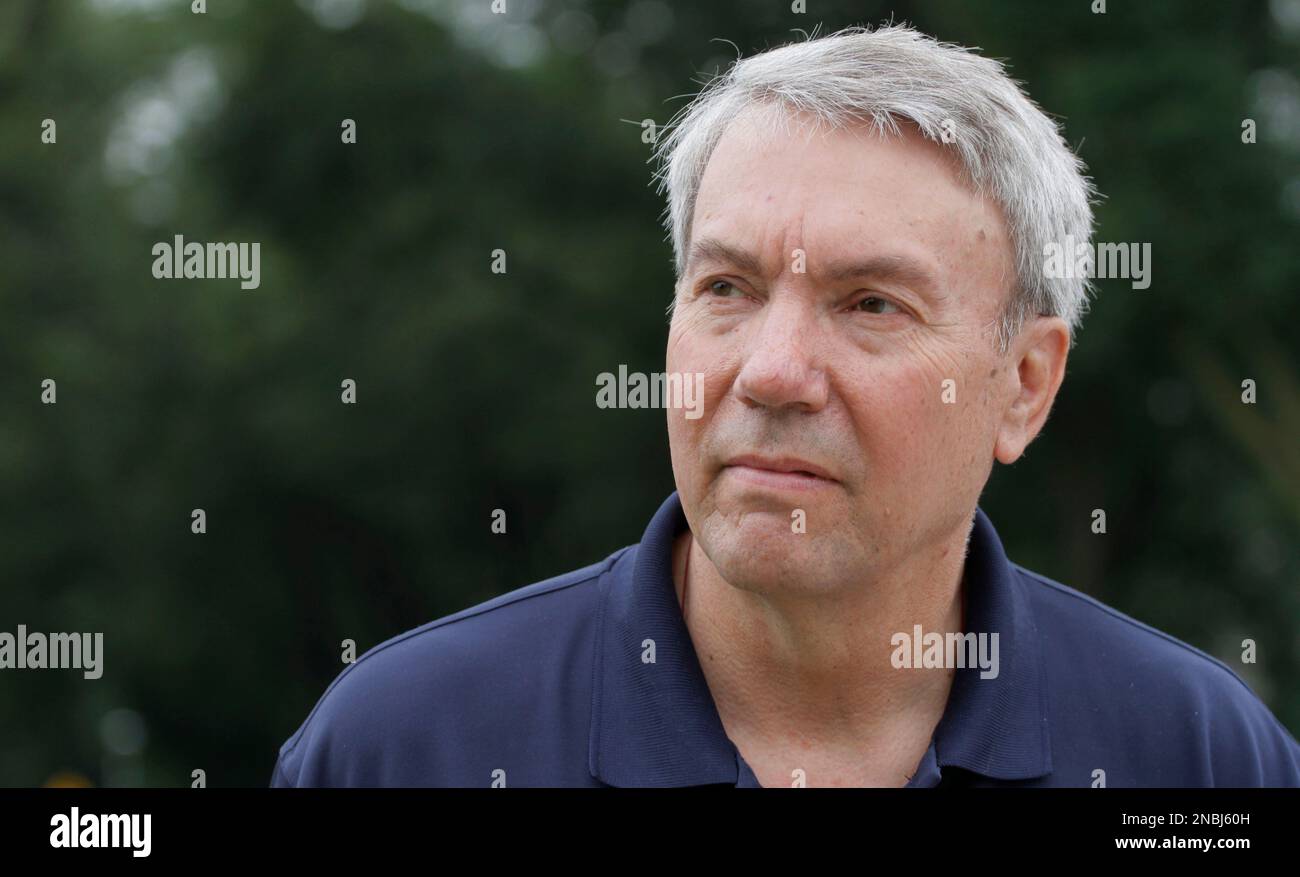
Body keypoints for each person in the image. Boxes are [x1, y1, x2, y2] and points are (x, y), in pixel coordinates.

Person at [271, 24, 1300, 787]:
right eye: (726, 288)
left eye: (869, 305)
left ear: (1023, 385)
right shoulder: (405, 747)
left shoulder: (1196, 762)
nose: (770, 372)